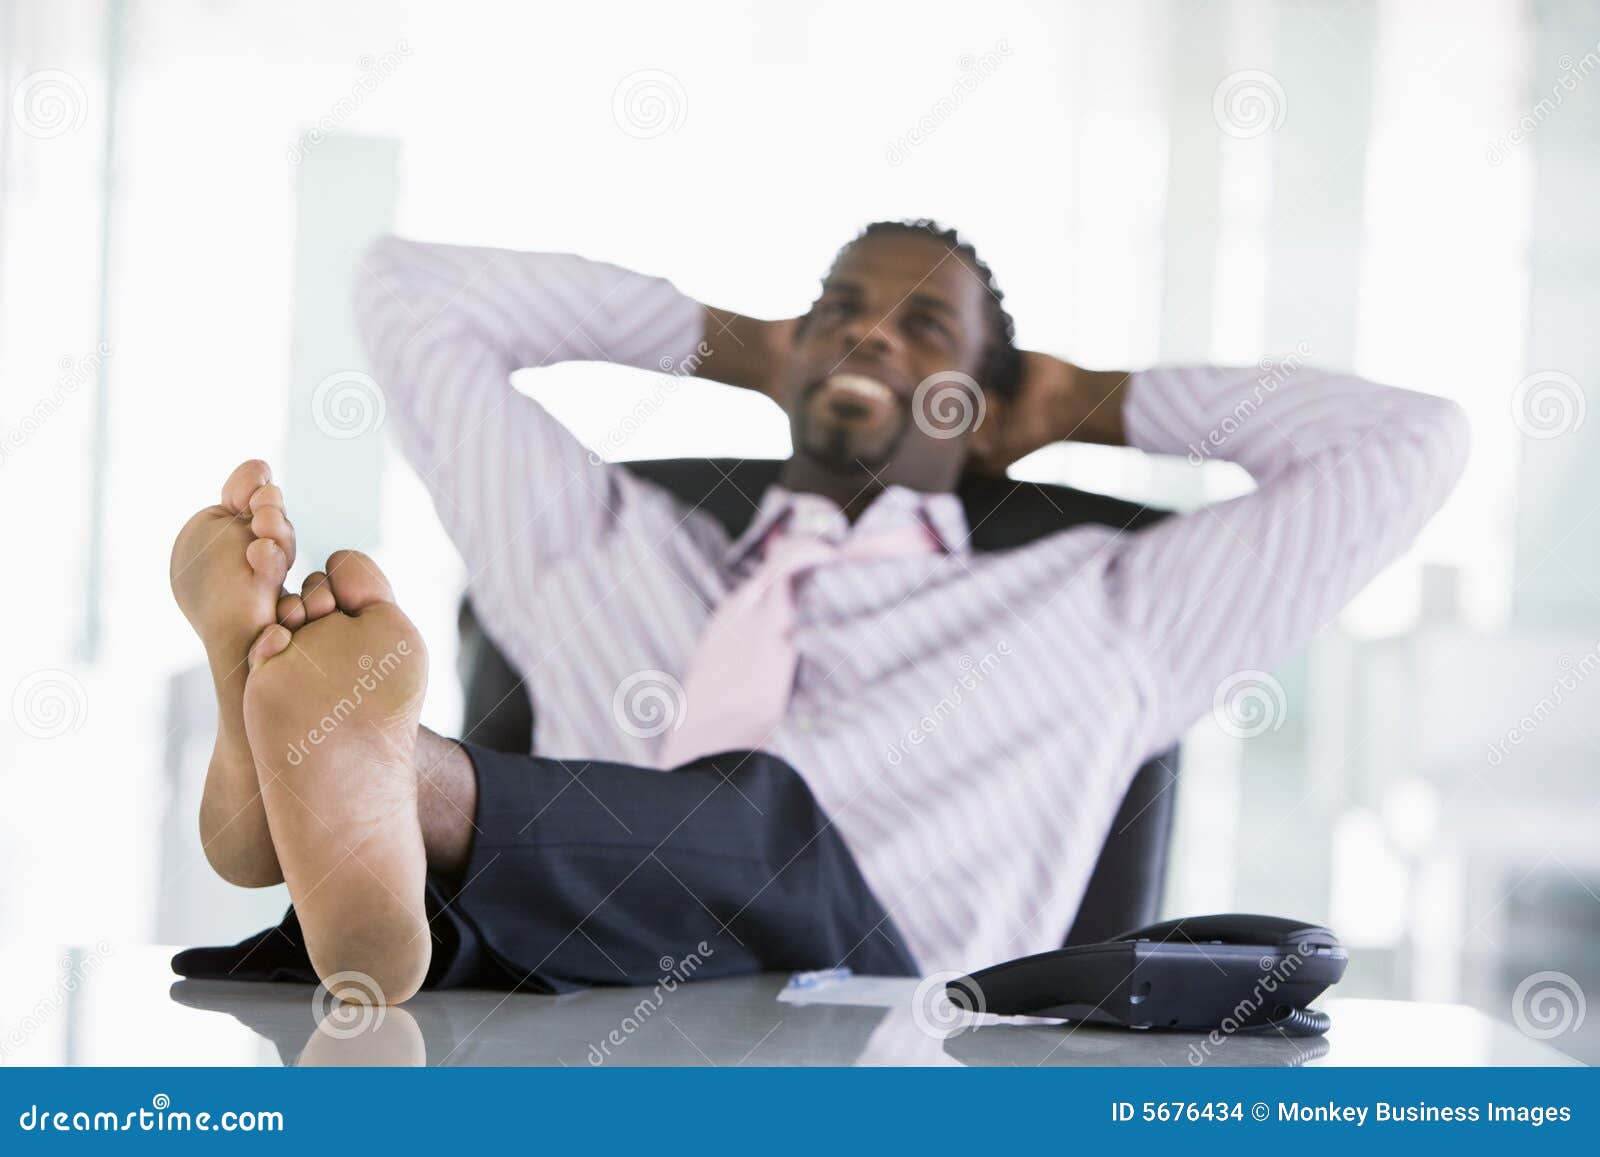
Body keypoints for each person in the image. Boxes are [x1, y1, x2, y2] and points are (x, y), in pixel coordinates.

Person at [169, 220, 1469, 1005]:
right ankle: (351, 791)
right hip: (561, 992)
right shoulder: (600, 540)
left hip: (884, 1020)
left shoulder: (1111, 607)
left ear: (992, 402)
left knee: (774, 831)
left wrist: (1090, 401)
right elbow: (407, 293)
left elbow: (1409, 445)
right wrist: (744, 342)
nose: (869, 335)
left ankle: (363, 776)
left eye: (922, 327)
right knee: (494, 931)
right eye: (840, 311)